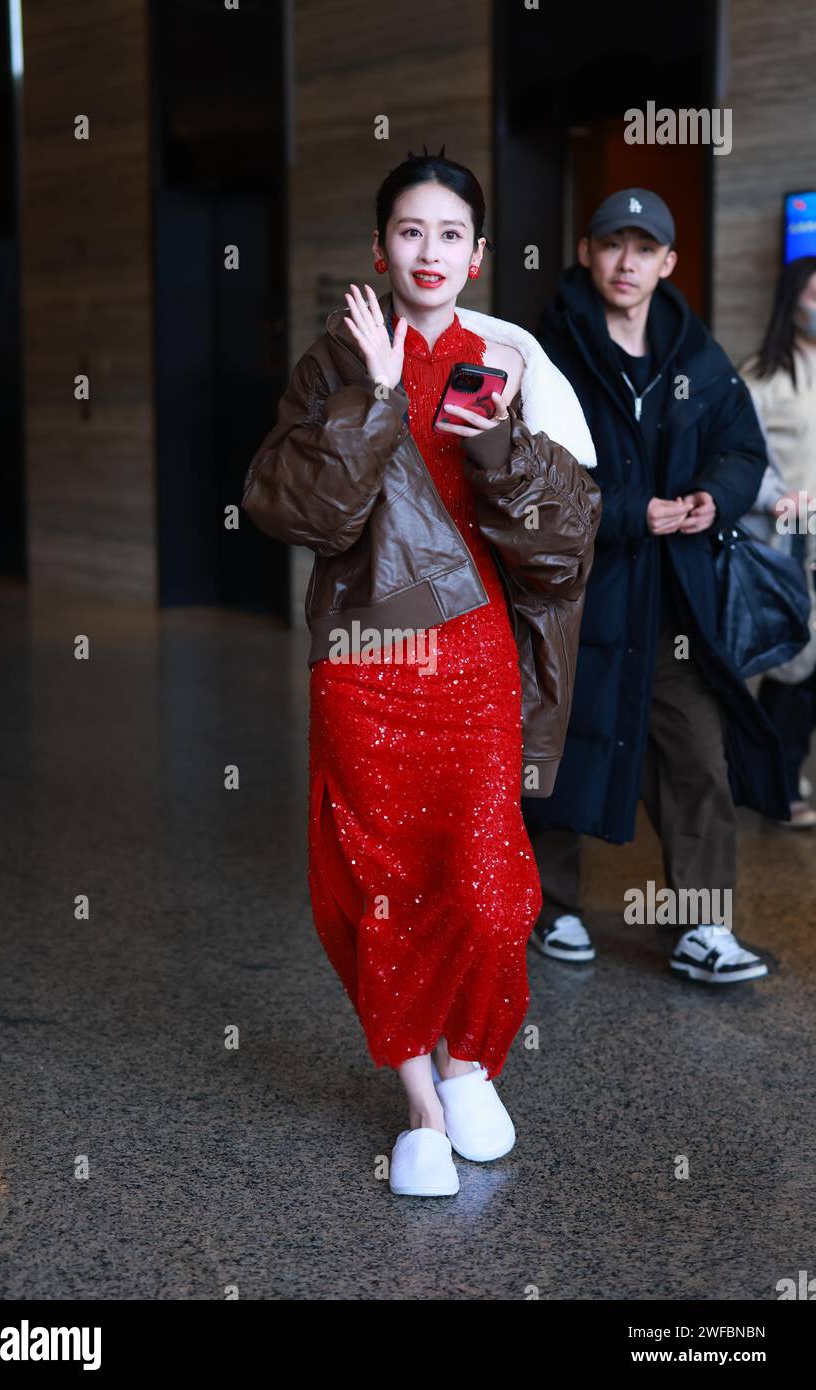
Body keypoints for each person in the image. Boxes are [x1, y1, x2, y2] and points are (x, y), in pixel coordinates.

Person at [242, 149, 601, 1196]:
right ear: (377, 247)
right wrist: (379, 393)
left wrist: (497, 445)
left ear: (479, 254)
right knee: (383, 887)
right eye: (408, 231)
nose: (428, 251)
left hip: (479, 659)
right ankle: (424, 1106)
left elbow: (565, 541)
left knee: (488, 888)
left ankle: (472, 1055)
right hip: (367, 661)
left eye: (450, 234)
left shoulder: (514, 359)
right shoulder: (331, 362)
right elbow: (296, 511)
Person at [521, 187, 789, 984]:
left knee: (697, 759)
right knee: (563, 747)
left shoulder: (694, 353)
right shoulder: (549, 352)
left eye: (644, 249)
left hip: (675, 601)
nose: (627, 262)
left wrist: (718, 496)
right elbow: (528, 474)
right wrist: (636, 510)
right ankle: (553, 907)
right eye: (612, 245)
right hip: (582, 595)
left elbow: (744, 449)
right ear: (586, 252)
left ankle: (702, 926)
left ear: (668, 263)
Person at [739, 255, 816, 829]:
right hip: (786, 541)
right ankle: (777, 784)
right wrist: (779, 500)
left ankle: (782, 773)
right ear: (792, 301)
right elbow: (745, 462)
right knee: (792, 663)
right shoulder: (759, 379)